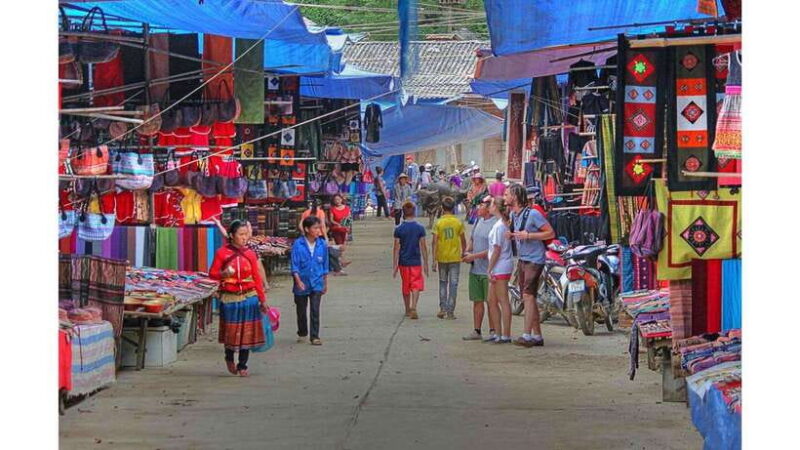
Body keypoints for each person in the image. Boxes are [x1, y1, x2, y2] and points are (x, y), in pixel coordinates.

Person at [209, 220, 268, 377]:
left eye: (246, 234)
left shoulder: (250, 253)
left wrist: (262, 300)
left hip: (249, 297)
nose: (244, 238)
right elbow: (212, 274)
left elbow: (256, 278)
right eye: (241, 234)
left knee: (246, 333)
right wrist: (223, 274)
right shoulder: (222, 253)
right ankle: (229, 357)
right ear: (231, 235)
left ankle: (243, 365)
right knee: (231, 332)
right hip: (230, 298)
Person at [504, 183, 556, 347]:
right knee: (529, 297)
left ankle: (527, 335)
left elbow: (550, 232)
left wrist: (529, 235)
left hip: (534, 258)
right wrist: (512, 235)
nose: (505, 197)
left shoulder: (533, 214)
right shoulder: (514, 215)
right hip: (523, 258)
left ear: (516, 196)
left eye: (507, 194)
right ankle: (537, 335)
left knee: (528, 295)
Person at [461, 195, 498, 341]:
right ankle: (477, 330)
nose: (478, 208)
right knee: (477, 301)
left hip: (489, 270)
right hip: (475, 269)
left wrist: (473, 256)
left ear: (488, 207)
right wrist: (467, 251)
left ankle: (493, 330)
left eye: (481, 205)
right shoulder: (478, 221)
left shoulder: (496, 224)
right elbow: (472, 239)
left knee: (491, 302)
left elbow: (493, 249)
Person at [291, 216, 329, 346]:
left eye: (319, 228)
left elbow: (325, 265)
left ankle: (315, 336)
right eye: (315, 228)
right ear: (307, 229)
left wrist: (325, 283)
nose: (318, 231)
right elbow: (294, 265)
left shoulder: (322, 244)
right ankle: (302, 332)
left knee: (315, 309)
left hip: (317, 281)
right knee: (301, 310)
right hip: (302, 281)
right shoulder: (298, 244)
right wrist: (298, 281)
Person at [431, 196, 466, 320]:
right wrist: (464, 252)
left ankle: (442, 308)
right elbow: (463, 240)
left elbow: (434, 242)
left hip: (442, 257)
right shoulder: (458, 222)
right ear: (453, 208)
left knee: (442, 282)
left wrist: (434, 260)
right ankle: (450, 311)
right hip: (455, 258)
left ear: (442, 208)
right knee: (454, 284)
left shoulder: (438, 223)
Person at [486, 196, 515, 344]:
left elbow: (496, 249)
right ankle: (498, 332)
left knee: (502, 300)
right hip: (501, 264)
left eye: (491, 204)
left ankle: (506, 334)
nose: (489, 207)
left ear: (496, 207)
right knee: (492, 300)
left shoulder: (499, 226)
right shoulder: (501, 224)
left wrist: (489, 268)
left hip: (500, 265)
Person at [393, 201, 429, 319]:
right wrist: (426, 263)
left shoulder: (399, 229)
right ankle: (414, 306)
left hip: (403, 262)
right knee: (416, 284)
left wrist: (395, 265)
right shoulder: (420, 228)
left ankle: (407, 308)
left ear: (403, 213)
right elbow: (423, 246)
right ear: (414, 212)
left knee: (405, 285)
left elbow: (396, 248)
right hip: (415, 261)